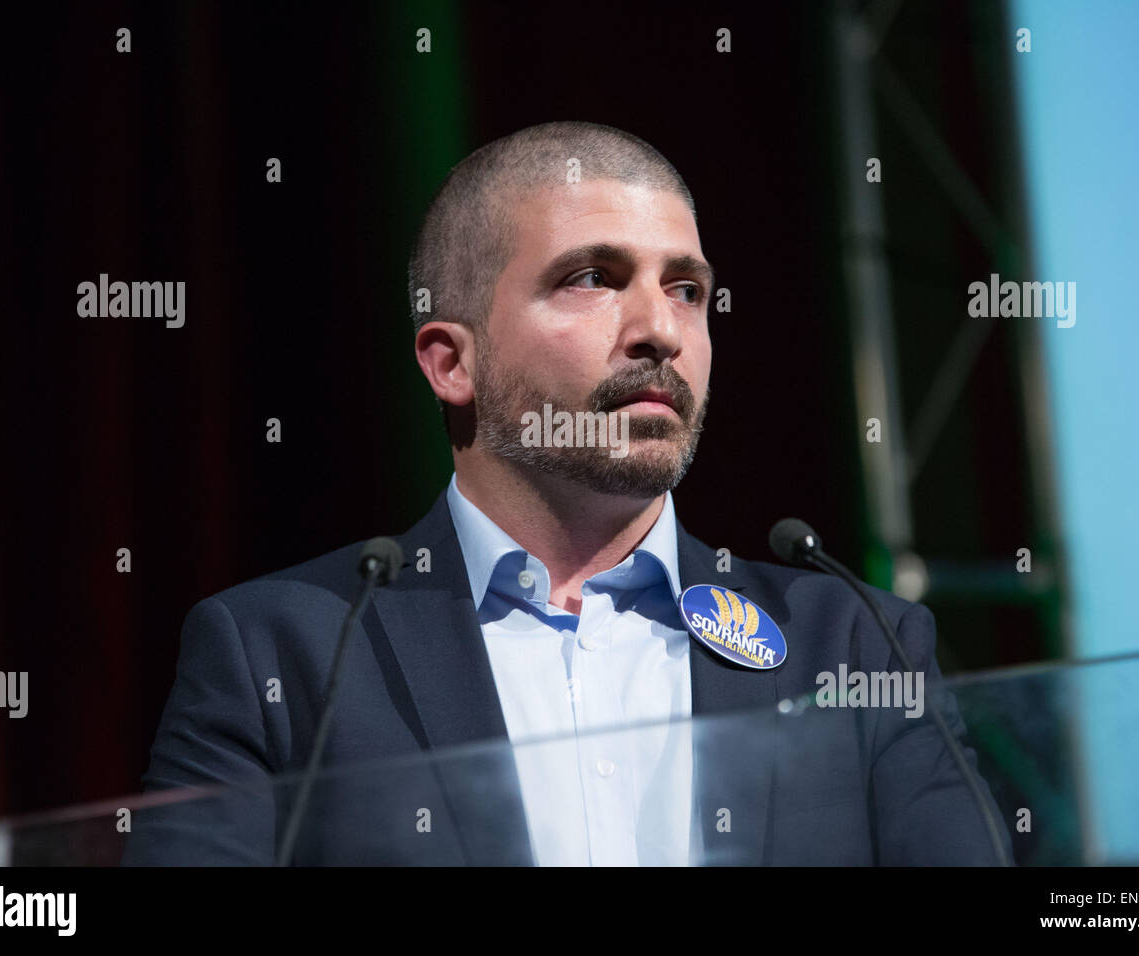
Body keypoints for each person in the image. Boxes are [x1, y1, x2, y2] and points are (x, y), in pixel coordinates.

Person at [124, 120, 1009, 866]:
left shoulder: (856, 643)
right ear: (452, 362)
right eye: (592, 278)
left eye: (687, 289)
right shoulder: (283, 655)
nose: (660, 330)